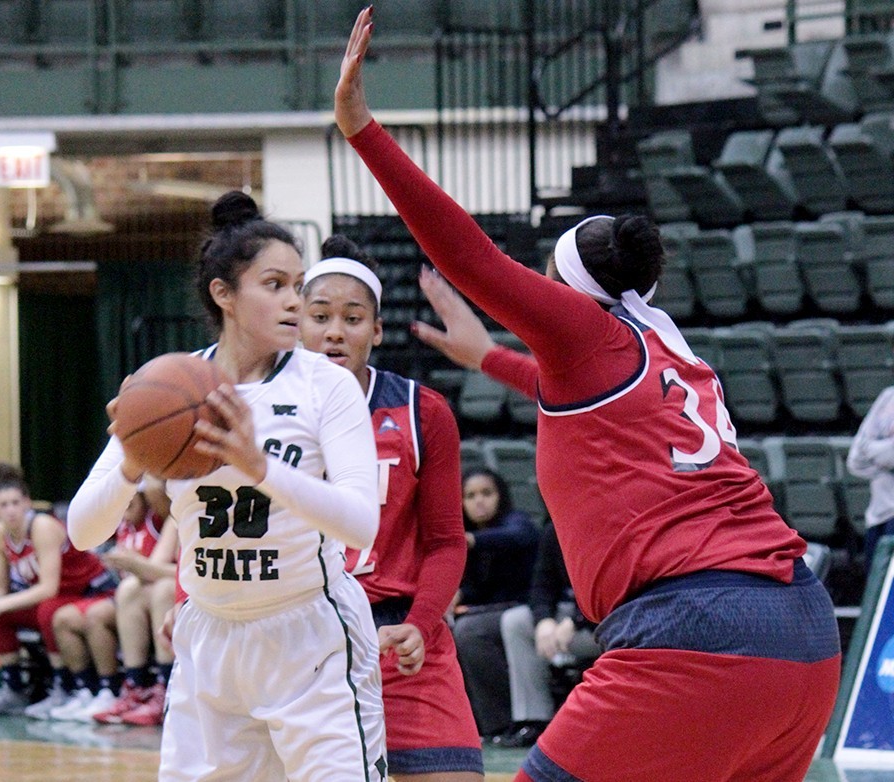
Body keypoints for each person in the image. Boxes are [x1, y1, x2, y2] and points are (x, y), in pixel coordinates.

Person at [334, 10, 841, 781]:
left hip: (696, 630)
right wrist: (484, 356)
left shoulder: (586, 331)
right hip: (801, 632)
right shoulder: (666, 351)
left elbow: (468, 253)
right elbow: (563, 395)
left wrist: (363, 130)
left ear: (569, 292)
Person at [67, 191, 387, 781]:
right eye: (275, 284)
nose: (295, 300)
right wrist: (133, 461)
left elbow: (360, 524)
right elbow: (85, 529)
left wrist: (260, 466)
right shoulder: (166, 389)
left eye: (298, 285)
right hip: (210, 637)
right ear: (225, 294)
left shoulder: (327, 387)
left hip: (309, 634)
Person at [299, 234, 483, 781]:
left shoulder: (422, 412)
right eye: (321, 316)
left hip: (397, 634)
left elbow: (447, 541)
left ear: (376, 331)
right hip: (302, 635)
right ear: (298, 326)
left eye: (353, 318)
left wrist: (423, 626)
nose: (335, 330)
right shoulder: (264, 411)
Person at [0, 464, 117, 717]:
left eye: (15, 503)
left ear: (27, 503)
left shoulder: (41, 526)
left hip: (89, 591)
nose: (11, 510)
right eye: (4, 505)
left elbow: (47, 588)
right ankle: (12, 689)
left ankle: (63, 686)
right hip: (59, 597)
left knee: (46, 610)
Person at [452, 467, 539, 742]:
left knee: (469, 631)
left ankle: (500, 722)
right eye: (470, 495)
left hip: (523, 608)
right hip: (486, 611)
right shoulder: (464, 537)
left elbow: (519, 537)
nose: (479, 501)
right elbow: (472, 589)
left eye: (487, 493)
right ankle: (466, 722)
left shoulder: (517, 522)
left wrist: (471, 540)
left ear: (501, 496)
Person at [497, 523, 599, 749]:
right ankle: (534, 720)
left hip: (610, 622)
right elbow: (542, 586)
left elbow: (616, 588)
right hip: (573, 619)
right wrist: (543, 620)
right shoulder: (554, 530)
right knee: (516, 621)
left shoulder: (608, 525)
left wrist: (576, 620)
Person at [91, 485, 179, 727]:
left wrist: (134, 563)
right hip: (144, 595)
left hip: (193, 594)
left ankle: (165, 688)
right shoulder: (124, 523)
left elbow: (162, 571)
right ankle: (135, 687)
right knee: (128, 590)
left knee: (162, 589)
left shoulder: (165, 516)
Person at [847, 385, 894, 574]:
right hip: (878, 516)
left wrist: (874, 450)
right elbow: (856, 458)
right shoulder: (888, 396)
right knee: (874, 592)